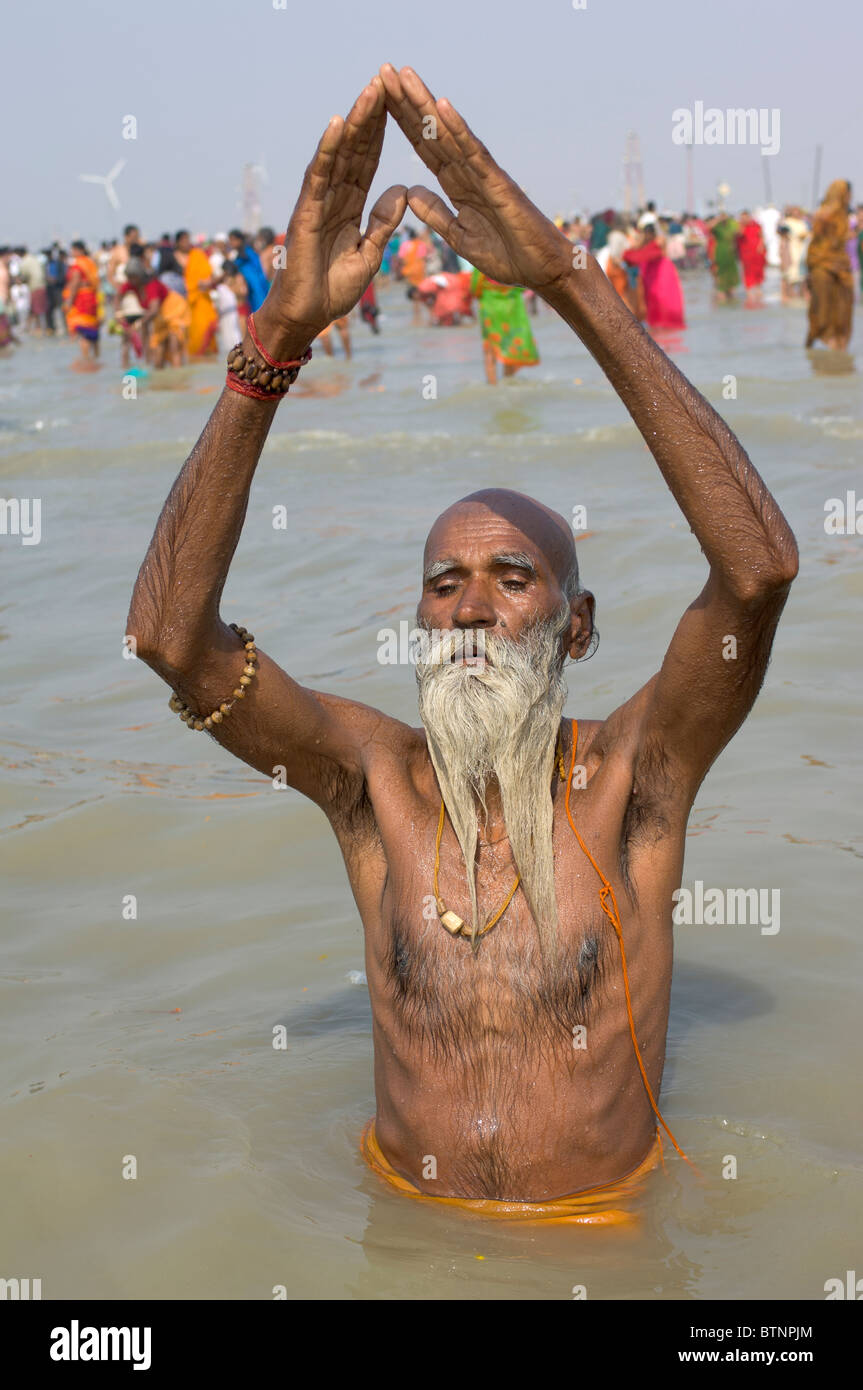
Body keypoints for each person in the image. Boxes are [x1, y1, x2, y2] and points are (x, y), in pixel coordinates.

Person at [127, 69, 798, 1220]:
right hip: (406, 1243)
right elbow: (168, 637)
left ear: (576, 627)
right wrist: (279, 331)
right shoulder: (370, 786)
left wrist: (564, 281)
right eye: (443, 585)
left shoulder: (636, 782)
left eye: (511, 578)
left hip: (600, 1241)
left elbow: (757, 571)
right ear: (417, 620)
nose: (471, 608)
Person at [806, 179, 854, 350]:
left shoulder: (843, 215)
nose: (850, 197)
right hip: (823, 268)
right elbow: (816, 244)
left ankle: (840, 355)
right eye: (847, 193)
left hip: (841, 268)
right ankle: (826, 352)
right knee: (824, 312)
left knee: (843, 312)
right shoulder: (823, 215)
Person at [470, 267, 539, 384]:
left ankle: (493, 387)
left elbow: (475, 287)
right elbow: (523, 285)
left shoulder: (484, 258)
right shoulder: (510, 259)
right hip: (512, 305)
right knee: (511, 345)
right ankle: (507, 382)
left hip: (489, 305)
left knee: (490, 350)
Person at [622, 224, 686, 331]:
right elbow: (630, 255)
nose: (647, 236)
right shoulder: (643, 244)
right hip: (649, 272)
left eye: (648, 233)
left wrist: (642, 243)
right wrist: (640, 242)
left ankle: (666, 326)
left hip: (662, 271)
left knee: (663, 299)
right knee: (651, 299)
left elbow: (649, 252)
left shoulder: (658, 241)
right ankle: (656, 326)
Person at [175, 230, 218, 356]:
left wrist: (207, 282)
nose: (186, 243)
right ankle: (192, 357)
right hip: (183, 302)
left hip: (201, 300)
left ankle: (205, 359)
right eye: (183, 240)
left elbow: (208, 276)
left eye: (188, 239)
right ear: (177, 243)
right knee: (187, 335)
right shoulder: (174, 257)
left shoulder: (197, 255)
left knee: (205, 330)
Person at [63, 240, 102, 367]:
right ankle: (96, 358)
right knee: (92, 329)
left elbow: (75, 283)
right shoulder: (90, 262)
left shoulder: (78, 265)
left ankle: (86, 360)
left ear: (77, 250)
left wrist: (68, 303)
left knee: (83, 331)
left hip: (82, 300)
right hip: (92, 297)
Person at [228, 230, 270, 313]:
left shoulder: (247, 253)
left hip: (257, 286)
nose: (231, 243)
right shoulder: (241, 254)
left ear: (239, 240)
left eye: (233, 240)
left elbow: (255, 271)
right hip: (252, 289)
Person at [736, 211, 767, 307]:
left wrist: (761, 246)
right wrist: (741, 225)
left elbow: (762, 237)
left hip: (757, 254)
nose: (745, 219)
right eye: (743, 217)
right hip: (746, 254)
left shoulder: (756, 225)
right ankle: (749, 294)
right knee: (748, 274)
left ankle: (758, 291)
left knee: (759, 273)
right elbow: (738, 235)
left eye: (746, 217)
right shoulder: (740, 227)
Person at [708, 213, 740, 302]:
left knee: (731, 280)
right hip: (719, 254)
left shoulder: (731, 226)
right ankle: (721, 296)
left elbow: (739, 231)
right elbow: (708, 227)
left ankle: (730, 299)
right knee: (719, 277)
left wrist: (730, 219)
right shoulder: (717, 228)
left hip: (730, 255)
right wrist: (718, 219)